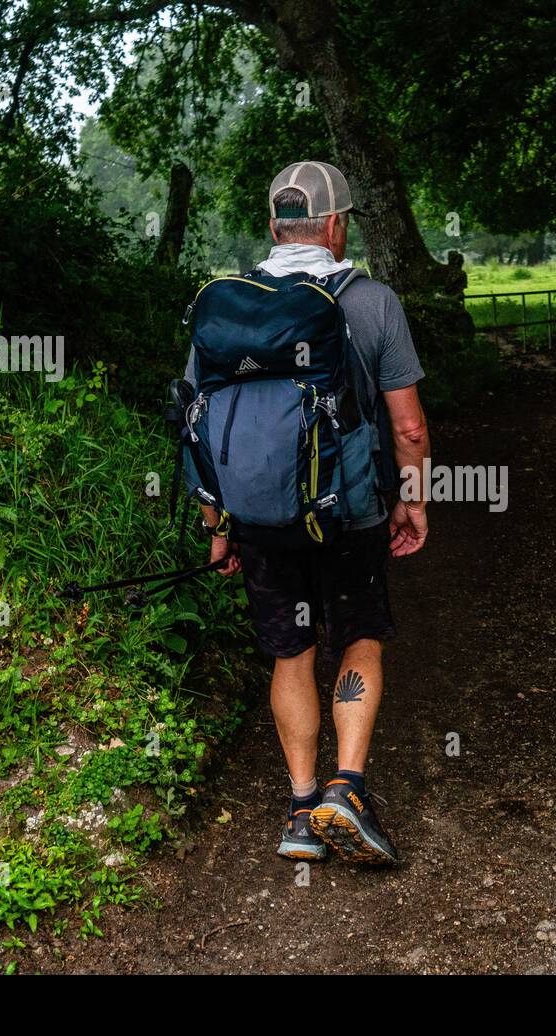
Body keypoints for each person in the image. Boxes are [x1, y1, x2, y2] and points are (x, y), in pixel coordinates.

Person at [189, 161, 430, 865]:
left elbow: (200, 426)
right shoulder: (374, 302)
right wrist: (412, 501)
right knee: (358, 636)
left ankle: (299, 811)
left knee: (289, 651)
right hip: (350, 512)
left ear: (273, 227)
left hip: (261, 517)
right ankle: (345, 789)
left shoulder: (228, 306)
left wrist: (218, 526)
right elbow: (408, 428)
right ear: (335, 225)